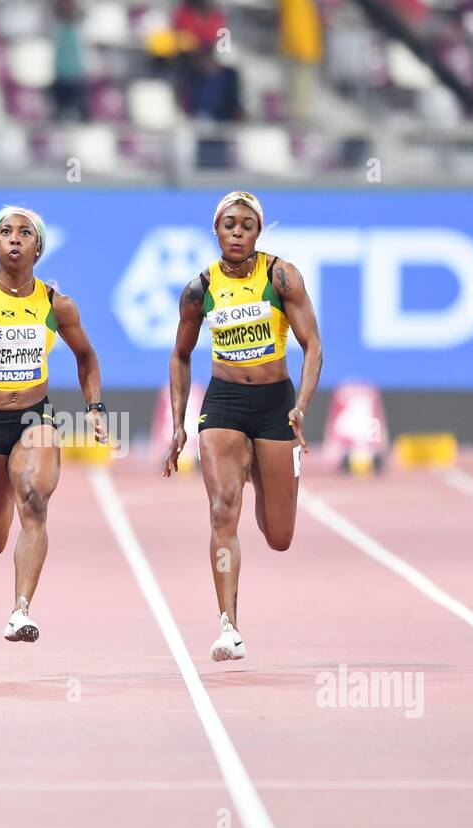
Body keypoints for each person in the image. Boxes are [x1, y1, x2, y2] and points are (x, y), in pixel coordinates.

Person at [164, 191, 324, 662]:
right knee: (221, 510)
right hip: (225, 405)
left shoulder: (281, 275)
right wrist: (178, 425)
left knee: (279, 536)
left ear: (258, 232)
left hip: (275, 404)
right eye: (229, 224)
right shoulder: (199, 290)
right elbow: (179, 355)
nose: (237, 232)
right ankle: (228, 624)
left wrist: (302, 406)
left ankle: (259, 471)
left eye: (247, 226)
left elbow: (313, 344)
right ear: (215, 230)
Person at [0, 206, 106, 643]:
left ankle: (21, 611)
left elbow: (86, 356)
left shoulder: (58, 305)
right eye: (6, 232)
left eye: (25, 233)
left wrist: (94, 407)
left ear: (38, 247)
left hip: (36, 416)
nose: (15, 239)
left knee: (33, 499)